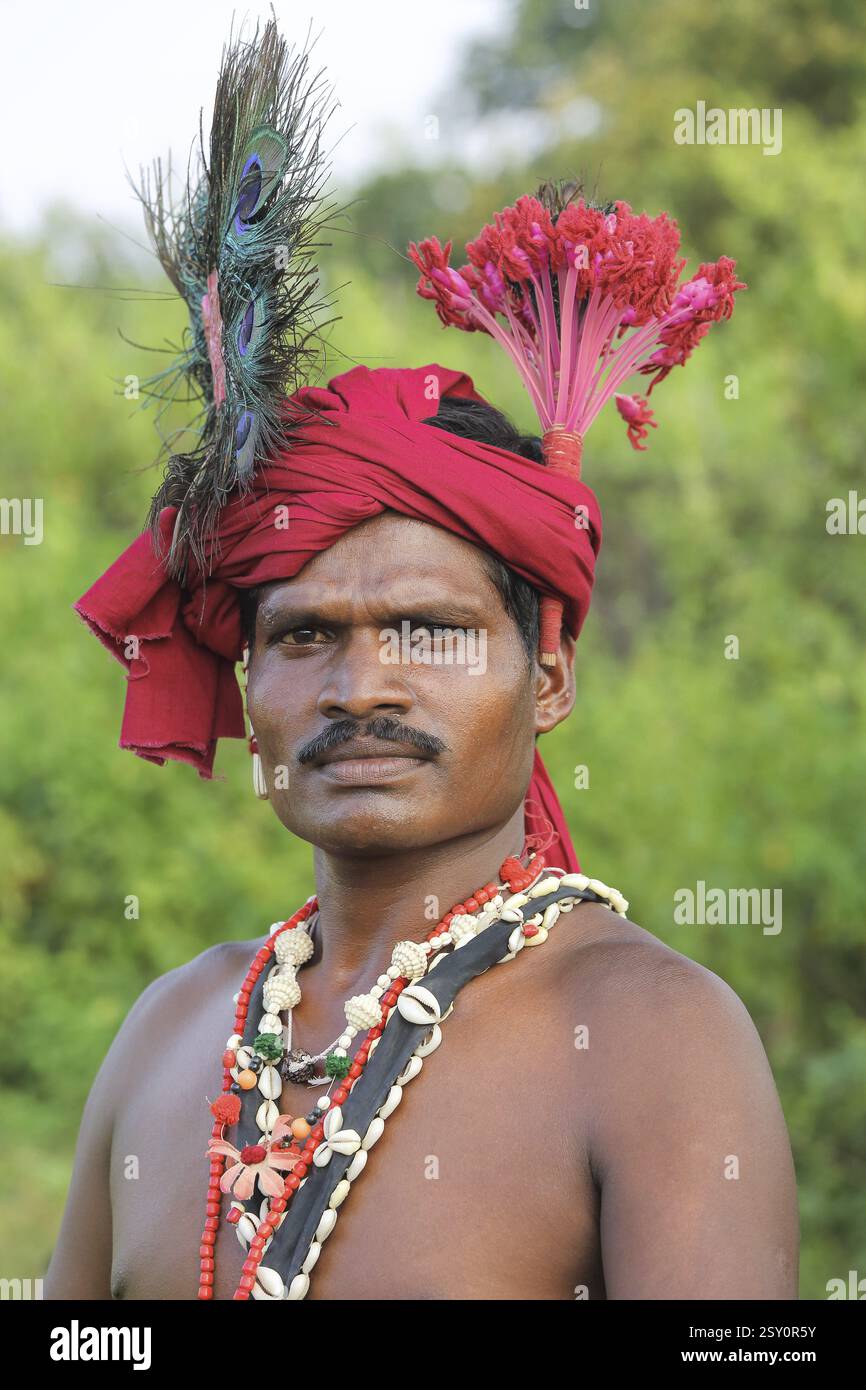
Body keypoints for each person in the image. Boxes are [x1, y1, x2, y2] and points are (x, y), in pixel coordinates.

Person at [45, 17, 796, 1301]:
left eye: (429, 631)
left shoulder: (646, 1035)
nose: (361, 688)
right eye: (304, 637)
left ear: (547, 673)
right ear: (246, 687)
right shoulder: (173, 1026)